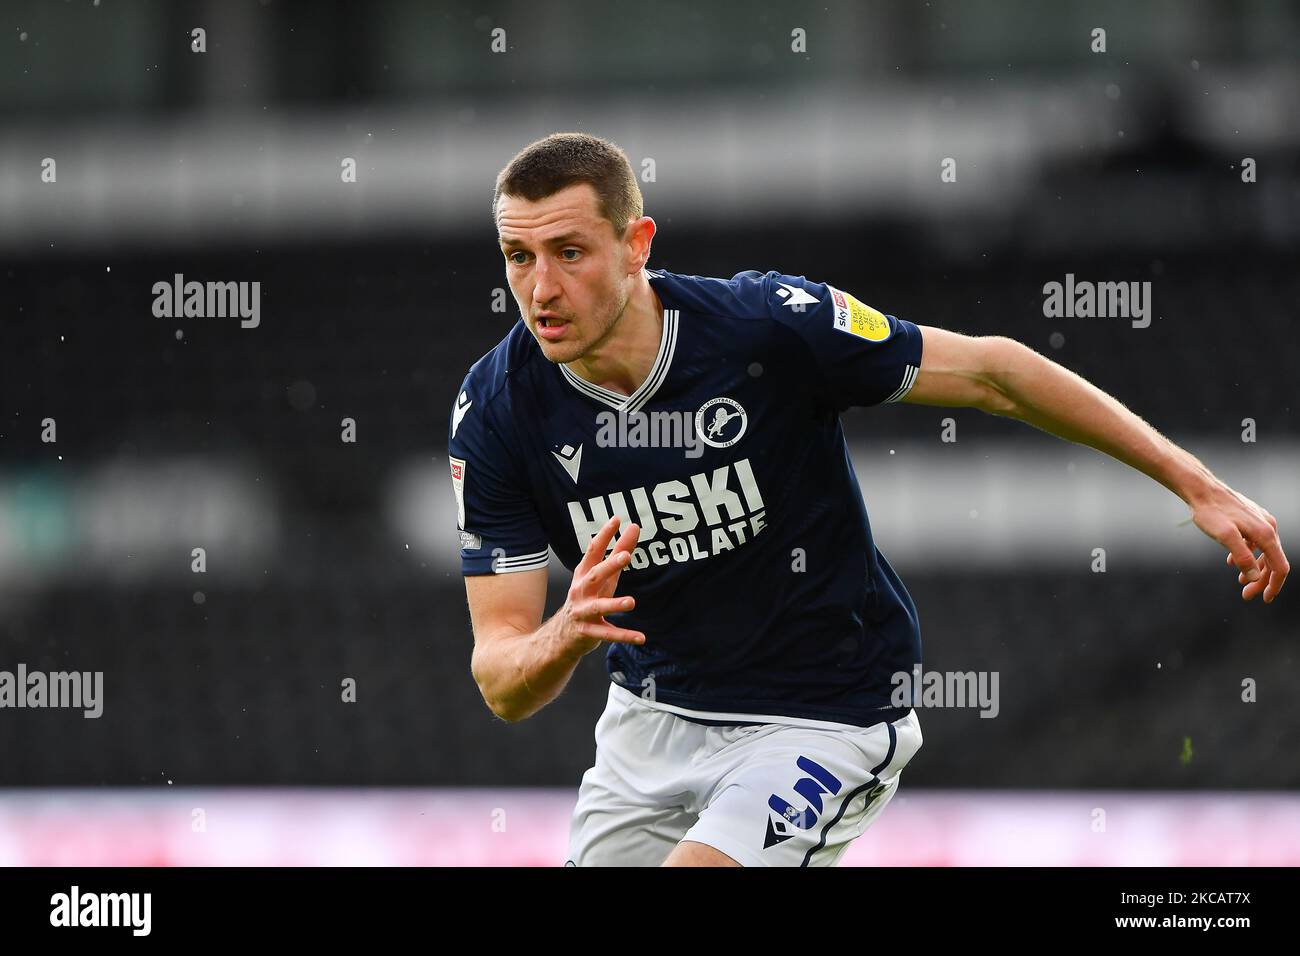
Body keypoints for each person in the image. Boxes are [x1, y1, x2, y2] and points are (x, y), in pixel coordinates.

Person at [448, 132, 1288, 867]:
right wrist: (560, 636)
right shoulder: (496, 412)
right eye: (519, 257)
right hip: (651, 720)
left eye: (569, 252)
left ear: (637, 243)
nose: (542, 289)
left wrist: (1197, 485)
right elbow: (501, 681)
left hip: (825, 714)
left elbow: (995, 372)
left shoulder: (768, 327)